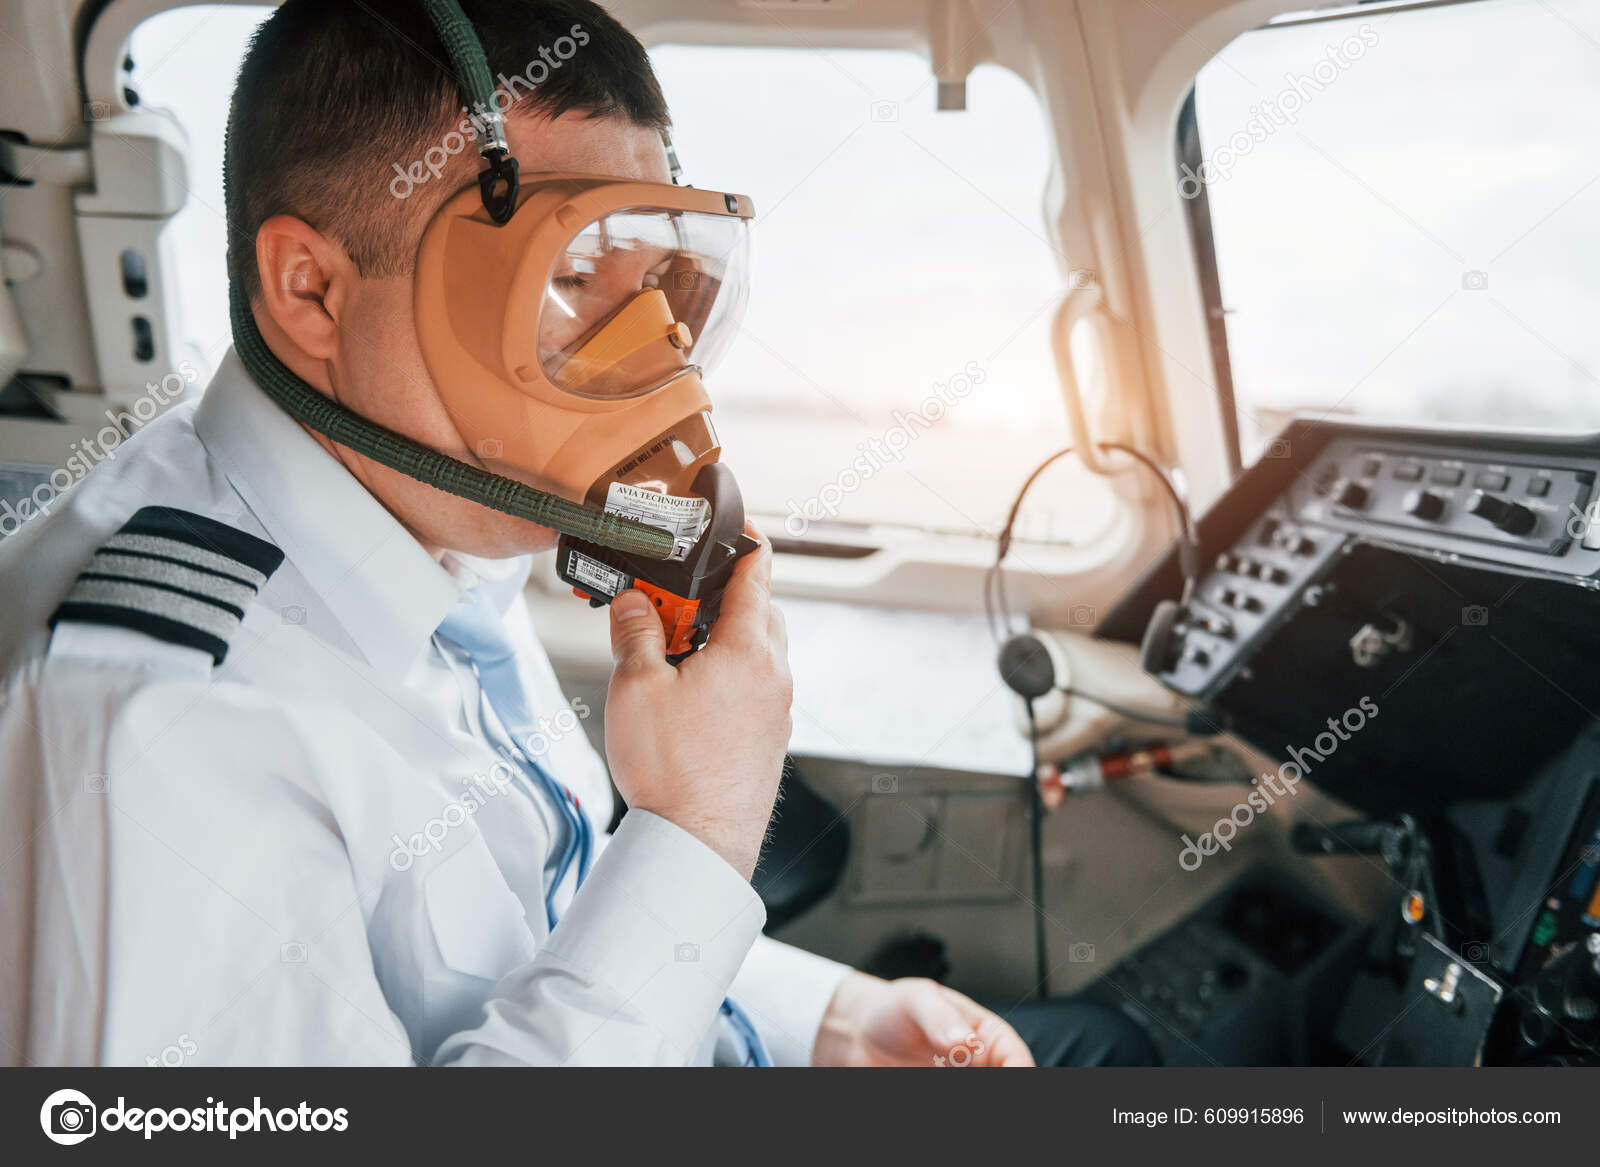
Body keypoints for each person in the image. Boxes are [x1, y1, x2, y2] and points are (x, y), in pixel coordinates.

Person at [0, 0, 1152, 1067]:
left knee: (1099, 1046)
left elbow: (545, 911)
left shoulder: (445, 520)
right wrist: (701, 827)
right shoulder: (162, 721)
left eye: (665, 281)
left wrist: (826, 1020)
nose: (646, 353)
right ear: (310, 290)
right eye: (575, 273)